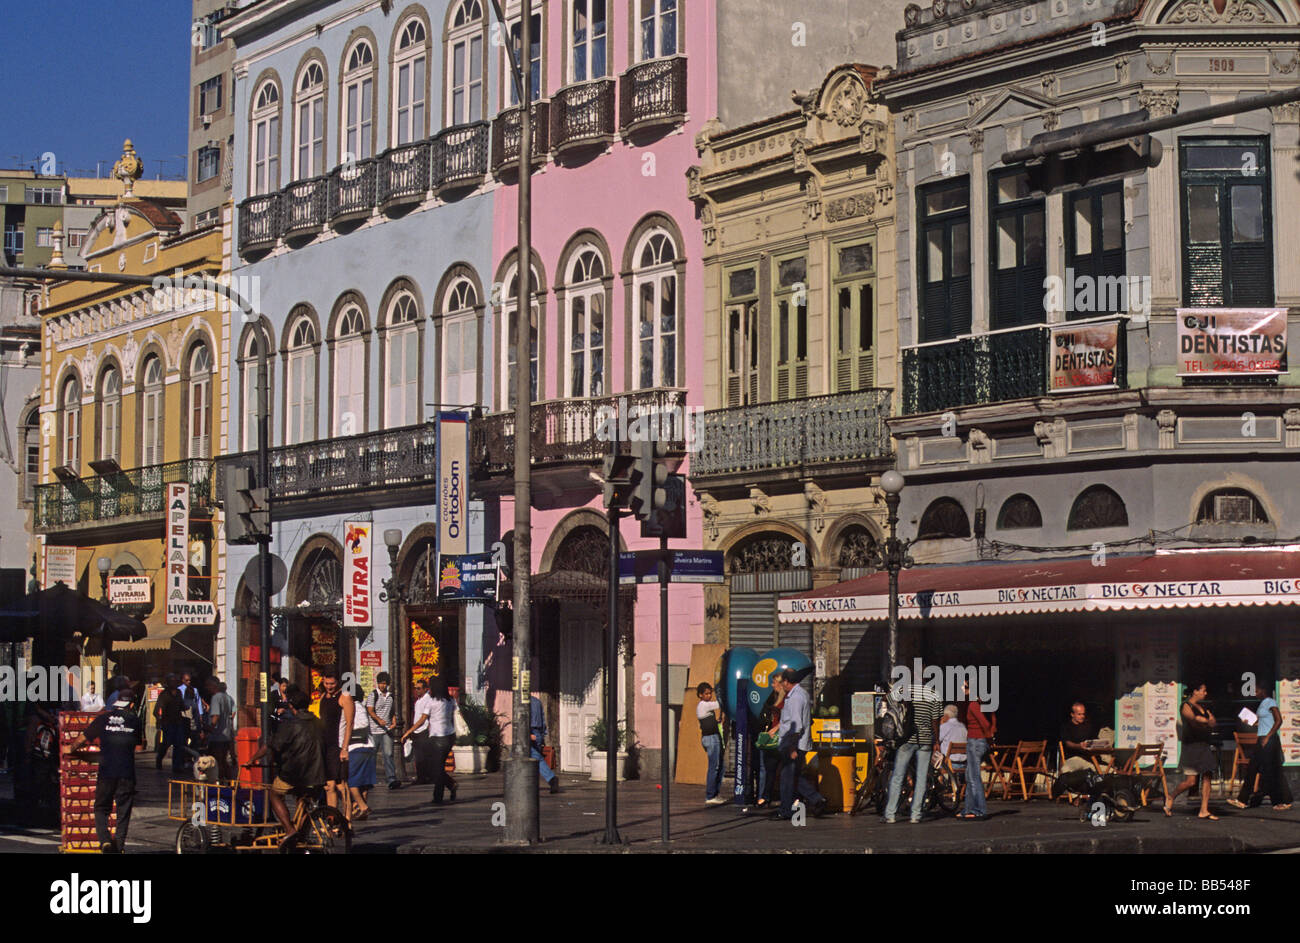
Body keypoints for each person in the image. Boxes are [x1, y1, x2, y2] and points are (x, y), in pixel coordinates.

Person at [246, 685, 325, 849]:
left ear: (291, 706)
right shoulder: (318, 722)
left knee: (274, 793)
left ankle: (290, 830)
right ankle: (301, 835)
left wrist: (252, 759)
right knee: (301, 798)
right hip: (317, 773)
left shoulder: (291, 724)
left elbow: (271, 746)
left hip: (297, 773)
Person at [69, 681, 142, 854]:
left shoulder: (103, 718)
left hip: (107, 771)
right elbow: (138, 746)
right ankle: (120, 846)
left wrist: (69, 750)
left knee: (101, 807)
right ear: (131, 704)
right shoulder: (135, 721)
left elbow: (80, 740)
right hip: (126, 773)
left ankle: (105, 841)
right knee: (123, 811)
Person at [884, 679, 942, 824]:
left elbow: (888, 698)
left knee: (898, 776)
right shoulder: (935, 694)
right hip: (926, 740)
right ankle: (916, 815)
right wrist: (936, 741)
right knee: (922, 778)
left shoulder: (907, 690)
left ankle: (890, 814)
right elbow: (935, 721)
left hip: (907, 739)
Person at [773, 669, 826, 821]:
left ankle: (785, 810)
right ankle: (817, 799)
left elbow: (797, 725)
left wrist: (792, 748)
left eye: (782, 681)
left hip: (794, 744)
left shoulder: (796, 697)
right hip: (796, 743)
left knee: (786, 778)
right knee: (793, 777)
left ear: (787, 682)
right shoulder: (801, 694)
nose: (781, 685)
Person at [1229, 684, 1293, 811]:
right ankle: (1242, 800)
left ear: (1264, 690)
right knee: (1252, 768)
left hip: (1268, 740)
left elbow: (1278, 720)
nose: (1255, 694)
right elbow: (1263, 722)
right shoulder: (1262, 704)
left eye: (1257, 691)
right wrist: (1251, 722)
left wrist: (1268, 736)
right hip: (1261, 739)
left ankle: (1279, 802)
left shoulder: (1270, 702)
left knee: (1270, 771)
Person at [1165, 682, 1219, 820]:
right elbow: (1193, 719)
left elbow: (1212, 722)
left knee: (1207, 775)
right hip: (1191, 746)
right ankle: (1171, 797)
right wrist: (1206, 721)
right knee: (1191, 781)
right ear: (1195, 691)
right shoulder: (1185, 706)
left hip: (1203, 744)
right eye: (1203, 690)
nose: (1205, 693)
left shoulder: (1203, 707)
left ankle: (1204, 810)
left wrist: (1206, 720)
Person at [317, 671, 355, 817]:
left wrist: (344, 748)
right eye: (326, 683)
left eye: (332, 684)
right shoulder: (323, 697)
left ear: (337, 682)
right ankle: (332, 819)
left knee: (341, 785)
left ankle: (347, 821)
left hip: (338, 745)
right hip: (325, 745)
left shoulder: (345, 697)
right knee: (329, 786)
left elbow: (350, 723)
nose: (329, 687)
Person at [959, 681, 996, 821]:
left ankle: (979, 809)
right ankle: (968, 808)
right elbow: (992, 720)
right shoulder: (980, 703)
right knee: (970, 775)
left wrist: (988, 738)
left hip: (976, 741)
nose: (963, 689)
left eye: (966, 687)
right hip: (976, 740)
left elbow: (985, 723)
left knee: (974, 776)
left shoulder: (974, 704)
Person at [364, 673, 401, 788]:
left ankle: (391, 779)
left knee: (388, 754)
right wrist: (378, 720)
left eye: (384, 683)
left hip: (386, 730)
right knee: (372, 755)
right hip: (374, 730)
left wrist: (394, 721)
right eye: (380, 683)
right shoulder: (373, 695)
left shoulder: (390, 696)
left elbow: (392, 711)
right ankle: (368, 780)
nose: (382, 686)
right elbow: (370, 710)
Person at [347, 685, 376, 820]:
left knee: (351, 781)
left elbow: (357, 725)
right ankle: (361, 809)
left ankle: (362, 806)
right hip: (369, 746)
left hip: (356, 747)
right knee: (364, 782)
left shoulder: (351, 707)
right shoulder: (362, 706)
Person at [1059, 701, 1113, 773]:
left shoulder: (1088, 726)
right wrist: (1079, 746)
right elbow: (1068, 743)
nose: (1082, 716)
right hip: (1074, 758)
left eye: (1083, 714)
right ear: (1072, 714)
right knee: (1066, 770)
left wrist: (1104, 746)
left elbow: (1094, 741)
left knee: (1110, 771)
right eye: (1079, 714)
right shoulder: (1066, 726)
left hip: (1089, 759)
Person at [696, 682, 727, 806]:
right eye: (706, 694)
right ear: (700, 695)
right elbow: (720, 703)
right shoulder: (704, 705)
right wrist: (722, 692)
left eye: (710, 693)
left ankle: (714, 793)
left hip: (713, 737)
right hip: (710, 739)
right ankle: (710, 795)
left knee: (720, 766)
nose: (709, 696)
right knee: (714, 767)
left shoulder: (705, 706)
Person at [756, 684, 785, 807]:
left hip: (780, 737)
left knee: (783, 769)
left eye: (775, 682)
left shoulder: (786, 700)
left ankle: (767, 796)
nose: (772, 685)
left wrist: (776, 728)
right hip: (772, 737)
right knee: (770, 767)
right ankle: (766, 796)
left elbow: (786, 719)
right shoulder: (773, 698)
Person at [402, 679, 435, 783]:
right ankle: (422, 777)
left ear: (425, 689)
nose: (417, 690)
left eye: (419, 688)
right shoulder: (419, 700)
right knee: (419, 756)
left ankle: (424, 777)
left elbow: (422, 719)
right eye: (415, 688)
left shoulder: (427, 700)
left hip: (423, 731)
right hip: (417, 731)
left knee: (423, 757)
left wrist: (409, 731)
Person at [154, 676, 189, 774]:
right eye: (172, 681)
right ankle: (159, 758)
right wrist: (160, 720)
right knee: (167, 743)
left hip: (178, 722)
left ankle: (176, 766)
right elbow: (157, 710)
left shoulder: (178, 693)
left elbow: (182, 706)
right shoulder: (164, 694)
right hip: (168, 723)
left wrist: (187, 707)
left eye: (175, 681)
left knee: (178, 744)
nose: (174, 683)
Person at [204, 677, 237, 781]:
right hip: (226, 734)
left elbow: (216, 716)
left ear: (213, 686)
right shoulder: (226, 697)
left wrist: (209, 728)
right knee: (223, 760)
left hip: (217, 735)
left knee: (217, 761)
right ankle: (230, 782)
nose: (207, 688)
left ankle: (220, 781)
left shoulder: (216, 698)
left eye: (208, 686)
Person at [529, 692, 560, 793]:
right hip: (537, 733)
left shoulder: (524, 703)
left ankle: (551, 779)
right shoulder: (537, 701)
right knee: (537, 757)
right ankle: (551, 779)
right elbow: (542, 720)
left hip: (530, 732)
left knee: (535, 757)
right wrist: (542, 735)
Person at [935, 703, 965, 771]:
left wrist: (940, 724)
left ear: (946, 715)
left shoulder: (945, 726)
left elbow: (935, 740)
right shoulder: (963, 727)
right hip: (963, 763)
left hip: (949, 764)